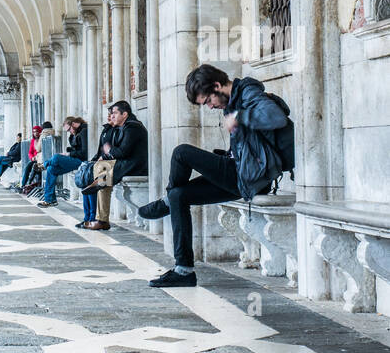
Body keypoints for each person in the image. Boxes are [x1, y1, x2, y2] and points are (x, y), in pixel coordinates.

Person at [138, 63, 294, 287]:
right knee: (179, 196)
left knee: (182, 153)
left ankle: (165, 200)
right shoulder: (230, 103)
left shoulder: (248, 91)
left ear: (218, 86)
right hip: (241, 174)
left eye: (208, 100)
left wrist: (240, 116)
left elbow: (276, 117)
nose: (210, 107)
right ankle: (184, 271)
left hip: (250, 178)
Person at [83, 102, 148, 231]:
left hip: (136, 165)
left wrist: (109, 150)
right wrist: (107, 153)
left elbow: (122, 152)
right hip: (126, 164)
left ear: (125, 114)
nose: (112, 116)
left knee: (103, 174)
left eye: (115, 113)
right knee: (100, 168)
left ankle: (101, 219)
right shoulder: (122, 128)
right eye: (111, 113)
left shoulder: (133, 128)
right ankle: (100, 218)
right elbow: (116, 152)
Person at [37, 117, 88, 207]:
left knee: (56, 157)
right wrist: (68, 152)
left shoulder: (84, 131)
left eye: (69, 129)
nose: (69, 132)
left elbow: (84, 153)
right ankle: (50, 200)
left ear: (74, 124)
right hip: (74, 159)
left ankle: (43, 165)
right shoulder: (74, 134)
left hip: (82, 161)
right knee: (51, 169)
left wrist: (68, 154)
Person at [21, 121, 53, 194]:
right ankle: (25, 184)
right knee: (29, 166)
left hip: (41, 159)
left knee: (33, 167)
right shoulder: (33, 141)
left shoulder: (43, 136)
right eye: (34, 132)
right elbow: (30, 152)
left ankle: (28, 184)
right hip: (38, 159)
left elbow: (38, 149)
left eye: (37, 131)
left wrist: (35, 156)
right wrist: (32, 157)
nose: (35, 133)